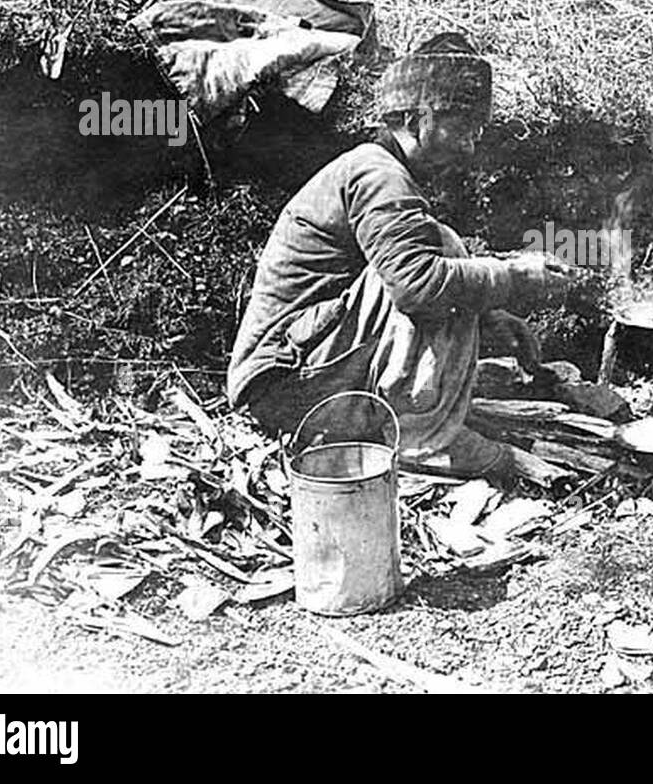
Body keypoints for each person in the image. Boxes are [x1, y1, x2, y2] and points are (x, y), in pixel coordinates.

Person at [227, 32, 572, 481]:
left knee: (439, 243)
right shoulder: (377, 174)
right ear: (414, 119)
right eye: (462, 128)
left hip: (300, 377)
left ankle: (411, 421)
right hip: (286, 388)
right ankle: (422, 440)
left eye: (476, 132)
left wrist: (490, 318)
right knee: (439, 252)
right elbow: (416, 286)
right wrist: (513, 275)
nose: (469, 146)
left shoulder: (379, 170)